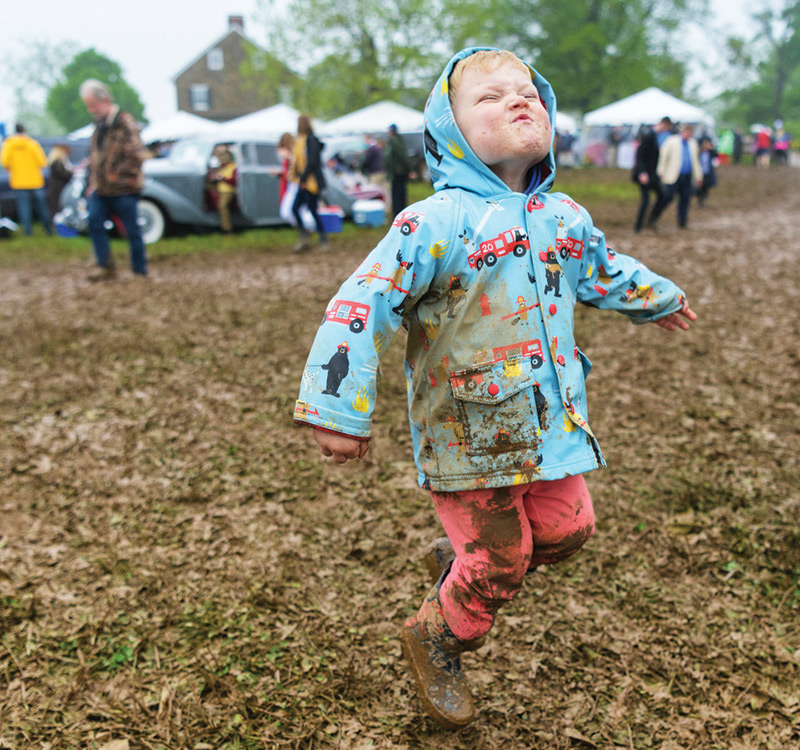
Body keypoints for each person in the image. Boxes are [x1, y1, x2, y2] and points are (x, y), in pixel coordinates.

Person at [292, 47, 697, 729]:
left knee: (570, 530)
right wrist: (338, 411)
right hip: (469, 432)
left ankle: (463, 568)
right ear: (448, 130)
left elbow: (602, 270)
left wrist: (655, 296)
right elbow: (360, 306)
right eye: (490, 97)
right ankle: (437, 635)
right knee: (504, 563)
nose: (518, 101)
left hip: (549, 424)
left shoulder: (563, 216)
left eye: (530, 93)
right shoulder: (432, 223)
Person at [80, 79, 148, 281]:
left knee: (132, 231)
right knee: (94, 222)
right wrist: (93, 182)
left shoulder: (124, 123)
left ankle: (139, 271)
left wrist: (118, 175)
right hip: (101, 190)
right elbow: (97, 157)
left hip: (124, 189)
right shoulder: (99, 128)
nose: (91, 110)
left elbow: (137, 154)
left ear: (105, 100)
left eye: (93, 105)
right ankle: (105, 267)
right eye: (89, 106)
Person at [648, 123, 703, 230]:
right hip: (673, 176)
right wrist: (660, 170)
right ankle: (653, 218)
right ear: (682, 131)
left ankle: (682, 222)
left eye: (690, 132)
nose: (689, 134)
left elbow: (696, 162)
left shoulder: (693, 144)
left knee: (685, 199)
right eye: (687, 131)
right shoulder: (672, 141)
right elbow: (664, 157)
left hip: (686, 176)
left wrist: (699, 177)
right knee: (667, 197)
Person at [0, 124, 52, 236]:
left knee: (23, 206)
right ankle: (48, 229)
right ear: (25, 130)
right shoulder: (32, 143)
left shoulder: (9, 144)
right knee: (42, 206)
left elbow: (5, 162)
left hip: (18, 181)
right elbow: (42, 161)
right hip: (35, 180)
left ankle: (28, 232)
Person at [290, 114, 328, 253]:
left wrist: (303, 179)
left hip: (311, 182)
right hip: (305, 181)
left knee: (311, 210)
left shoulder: (310, 140)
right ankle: (306, 236)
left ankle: (322, 239)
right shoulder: (301, 141)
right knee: (297, 209)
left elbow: (312, 162)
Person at [631, 116, 673, 233]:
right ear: (663, 124)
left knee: (663, 196)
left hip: (652, 175)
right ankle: (638, 227)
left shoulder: (655, 136)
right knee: (646, 200)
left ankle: (651, 220)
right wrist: (642, 173)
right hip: (645, 175)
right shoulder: (649, 136)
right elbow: (640, 155)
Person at [205, 147, 237, 234]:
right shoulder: (221, 168)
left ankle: (227, 229)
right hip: (220, 189)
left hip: (229, 191)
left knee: (222, 206)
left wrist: (222, 178)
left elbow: (233, 181)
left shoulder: (233, 167)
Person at [384, 124, 410, 218]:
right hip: (397, 172)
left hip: (398, 172)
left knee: (398, 194)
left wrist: (409, 169)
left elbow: (402, 156)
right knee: (398, 194)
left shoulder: (395, 142)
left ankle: (399, 214)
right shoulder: (395, 141)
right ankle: (399, 214)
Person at [46, 143, 74, 218]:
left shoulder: (57, 162)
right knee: (58, 206)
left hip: (58, 188)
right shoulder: (57, 163)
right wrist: (72, 172)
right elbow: (64, 174)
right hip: (58, 188)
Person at [695, 136, 717, 206]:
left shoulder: (710, 152)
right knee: (699, 187)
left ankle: (703, 198)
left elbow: (716, 155)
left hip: (707, 172)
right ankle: (699, 197)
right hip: (700, 173)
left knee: (706, 186)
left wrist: (711, 148)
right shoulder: (698, 152)